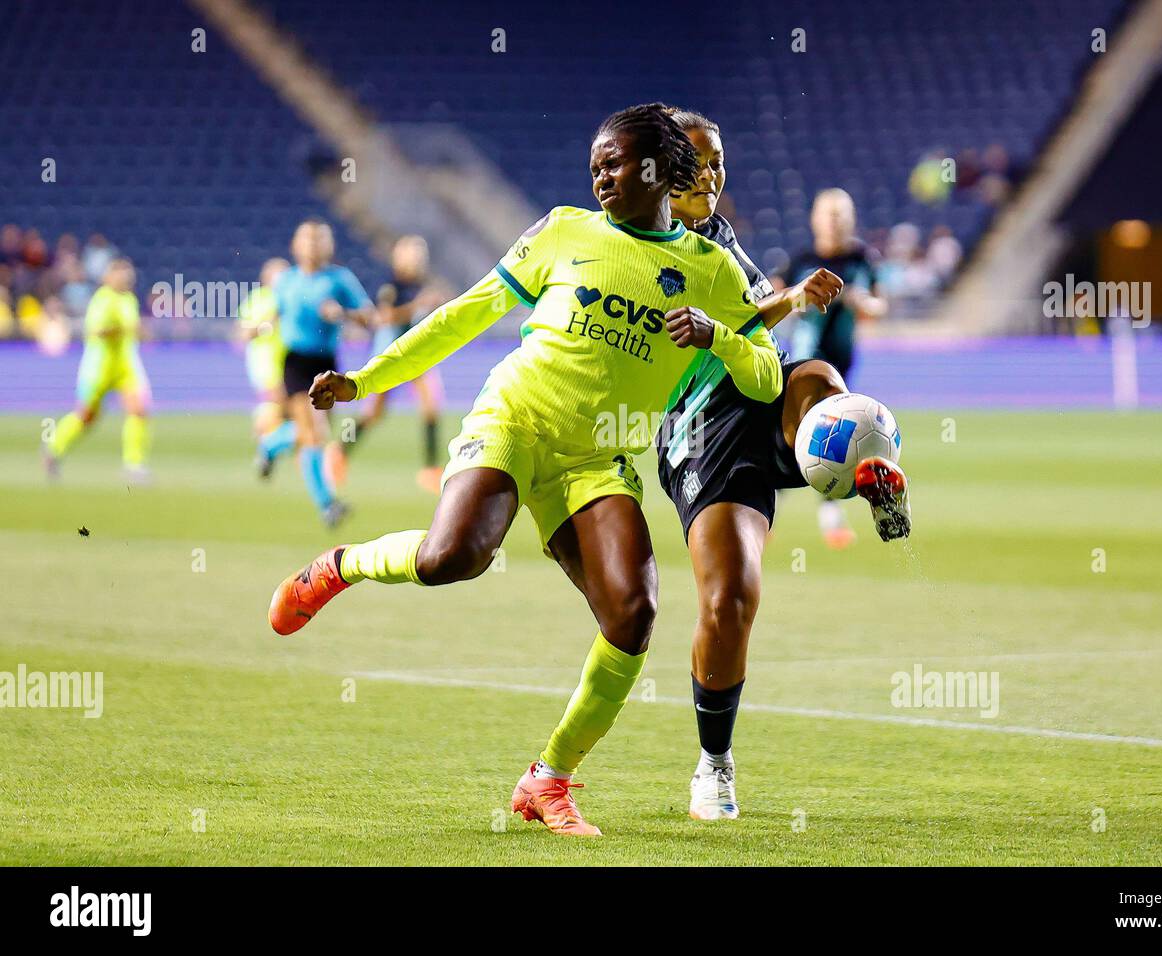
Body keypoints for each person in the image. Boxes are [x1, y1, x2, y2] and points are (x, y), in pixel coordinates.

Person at [266, 103, 782, 836]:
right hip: (516, 420)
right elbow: (468, 313)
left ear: (658, 170)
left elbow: (764, 376)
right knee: (453, 558)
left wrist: (718, 337)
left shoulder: (712, 271)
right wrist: (365, 380)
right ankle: (340, 566)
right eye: (595, 161)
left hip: (598, 457)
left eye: (614, 161)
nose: (599, 173)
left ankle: (549, 779)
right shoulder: (564, 230)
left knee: (633, 615)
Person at [658, 109, 912, 820]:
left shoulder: (720, 238)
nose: (711, 176)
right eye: (695, 162)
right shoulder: (632, 248)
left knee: (821, 380)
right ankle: (713, 762)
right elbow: (688, 339)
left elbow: (744, 325)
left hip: (762, 393)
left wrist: (784, 305)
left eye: (718, 162)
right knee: (731, 598)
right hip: (702, 430)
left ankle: (863, 471)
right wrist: (787, 301)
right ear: (657, 169)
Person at [776, 188, 887, 548]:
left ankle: (822, 514)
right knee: (804, 437)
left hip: (843, 367)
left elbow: (879, 305)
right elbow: (772, 298)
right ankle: (781, 508)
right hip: (805, 367)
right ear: (815, 219)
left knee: (832, 442)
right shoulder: (801, 262)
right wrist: (795, 302)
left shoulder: (862, 258)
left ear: (851, 219)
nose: (834, 220)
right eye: (828, 213)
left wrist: (862, 302)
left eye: (841, 213)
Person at [275, 220, 373, 527]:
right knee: (316, 434)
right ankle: (327, 504)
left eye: (320, 239)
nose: (314, 245)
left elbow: (369, 316)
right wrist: (254, 328)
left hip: (326, 364)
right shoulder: (286, 280)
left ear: (329, 245)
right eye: (308, 239)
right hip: (295, 363)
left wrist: (341, 313)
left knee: (312, 434)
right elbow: (274, 314)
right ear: (295, 245)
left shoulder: (340, 279)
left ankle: (270, 445)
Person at [343, 235, 450, 492]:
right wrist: (419, 304)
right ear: (399, 257)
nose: (417, 259)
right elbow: (386, 317)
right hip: (390, 356)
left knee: (431, 406)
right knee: (373, 414)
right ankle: (340, 449)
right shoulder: (392, 286)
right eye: (412, 254)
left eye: (420, 254)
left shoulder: (421, 285)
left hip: (415, 356)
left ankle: (430, 469)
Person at [42, 258, 152, 481]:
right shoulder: (102, 300)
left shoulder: (129, 299)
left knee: (139, 410)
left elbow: (134, 329)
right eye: (121, 274)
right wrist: (120, 330)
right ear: (109, 277)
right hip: (99, 367)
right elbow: (96, 332)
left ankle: (134, 464)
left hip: (125, 365)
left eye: (128, 274)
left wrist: (140, 332)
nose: (126, 278)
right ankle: (53, 448)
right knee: (86, 416)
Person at [240, 257, 294, 479]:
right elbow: (245, 333)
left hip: (290, 363)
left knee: (292, 414)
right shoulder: (260, 299)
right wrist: (268, 325)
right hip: (267, 365)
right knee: (299, 414)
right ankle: (268, 441)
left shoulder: (291, 298)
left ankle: (267, 439)